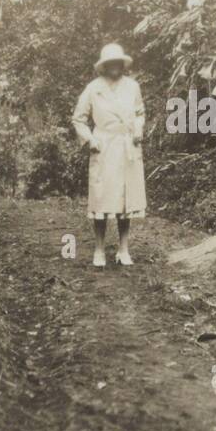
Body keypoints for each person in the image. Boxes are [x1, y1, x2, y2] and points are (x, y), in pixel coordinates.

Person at [71, 43, 146, 268]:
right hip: (103, 146)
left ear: (123, 64)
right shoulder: (94, 88)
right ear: (104, 66)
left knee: (126, 199)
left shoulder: (132, 87)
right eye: (110, 63)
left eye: (118, 62)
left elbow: (140, 113)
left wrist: (138, 130)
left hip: (126, 146)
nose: (115, 66)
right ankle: (99, 249)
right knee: (101, 199)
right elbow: (78, 119)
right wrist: (90, 140)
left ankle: (123, 249)